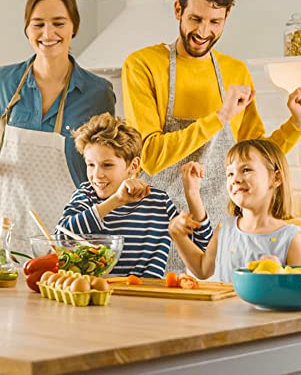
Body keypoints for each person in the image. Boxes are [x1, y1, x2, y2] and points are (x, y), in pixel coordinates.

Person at [122, 0, 301, 270]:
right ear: (178, 10)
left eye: (215, 22)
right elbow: (151, 157)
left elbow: (258, 155)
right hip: (158, 231)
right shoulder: (143, 65)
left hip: (220, 232)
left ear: (227, 18)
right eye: (195, 19)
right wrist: (219, 117)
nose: (203, 32)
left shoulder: (235, 71)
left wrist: (296, 124)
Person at [0, 0, 115, 254]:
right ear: (27, 29)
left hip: (70, 235)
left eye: (58, 23)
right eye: (38, 24)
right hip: (6, 233)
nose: (47, 33)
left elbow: (106, 167)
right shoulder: (4, 83)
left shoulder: (98, 93)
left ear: (73, 26)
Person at [56, 113, 212, 278]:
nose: (97, 174)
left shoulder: (158, 202)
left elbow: (203, 249)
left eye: (107, 165)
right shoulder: (85, 196)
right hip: (97, 295)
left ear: (133, 165)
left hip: (146, 298)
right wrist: (116, 201)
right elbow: (61, 238)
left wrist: (193, 194)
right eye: (90, 165)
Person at [169, 139, 301, 282]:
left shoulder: (291, 239)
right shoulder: (225, 229)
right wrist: (178, 236)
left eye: (246, 170)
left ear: (276, 178)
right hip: (224, 306)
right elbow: (202, 269)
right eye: (230, 173)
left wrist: (278, 274)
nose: (235, 179)